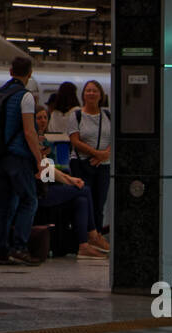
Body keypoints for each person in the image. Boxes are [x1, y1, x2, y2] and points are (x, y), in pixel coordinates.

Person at [33, 105, 107, 258]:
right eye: (38, 118)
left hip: (50, 186)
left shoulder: (44, 141)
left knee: (81, 200)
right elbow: (46, 170)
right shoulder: (33, 142)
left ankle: (83, 245)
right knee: (84, 190)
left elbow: (49, 168)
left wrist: (67, 179)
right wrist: (69, 179)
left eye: (45, 117)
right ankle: (93, 235)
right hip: (40, 191)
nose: (42, 121)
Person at [0, 57, 43, 267]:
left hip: (2, 158)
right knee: (29, 200)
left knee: (6, 204)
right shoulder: (25, 97)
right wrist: (39, 159)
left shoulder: (1, 94)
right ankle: (19, 247)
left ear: (10, 71)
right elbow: (29, 131)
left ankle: (2, 249)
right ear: (30, 73)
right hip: (18, 157)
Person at [67, 78, 111, 243]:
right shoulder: (76, 115)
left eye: (95, 91)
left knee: (100, 202)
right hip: (81, 164)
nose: (91, 93)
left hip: (104, 166)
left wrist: (105, 155)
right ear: (83, 94)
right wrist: (97, 154)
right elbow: (75, 141)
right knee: (85, 201)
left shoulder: (108, 115)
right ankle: (84, 238)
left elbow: (114, 138)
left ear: (101, 95)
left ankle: (97, 235)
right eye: (88, 90)